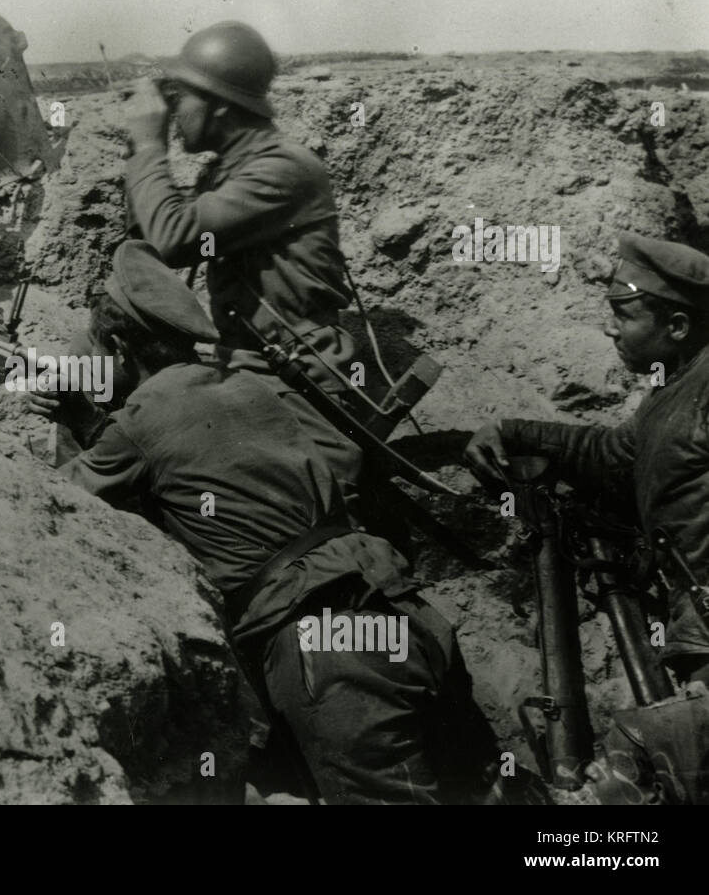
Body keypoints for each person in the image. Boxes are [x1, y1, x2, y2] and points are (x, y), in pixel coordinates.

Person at [45, 239, 499, 804]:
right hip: (403, 610)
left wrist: (68, 411)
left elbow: (54, 505)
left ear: (115, 344)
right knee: (482, 794)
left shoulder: (142, 418)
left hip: (331, 647)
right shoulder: (252, 385)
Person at [465, 232, 709, 805]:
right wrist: (514, 432)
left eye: (624, 315)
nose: (611, 329)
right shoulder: (672, 392)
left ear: (675, 325)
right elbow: (618, 458)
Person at [122, 21, 360, 393]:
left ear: (217, 105)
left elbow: (173, 239)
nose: (174, 114)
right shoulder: (232, 169)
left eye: (179, 99)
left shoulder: (283, 169)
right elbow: (151, 247)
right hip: (249, 366)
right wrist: (139, 155)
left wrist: (150, 149)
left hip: (296, 378)